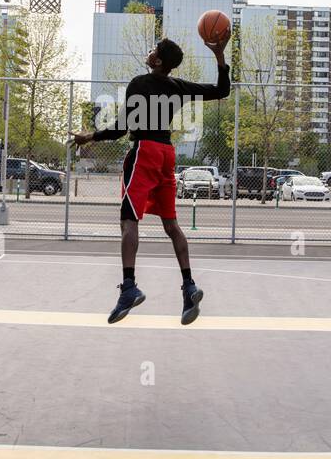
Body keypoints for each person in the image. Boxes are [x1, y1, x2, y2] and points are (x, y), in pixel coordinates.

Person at [70, 35, 231, 324]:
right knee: (171, 225)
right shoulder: (178, 87)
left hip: (143, 152)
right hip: (166, 154)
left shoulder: (139, 83)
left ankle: (129, 287)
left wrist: (90, 135)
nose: (149, 51)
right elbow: (222, 90)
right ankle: (188, 287)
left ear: (157, 61)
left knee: (128, 221)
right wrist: (219, 56)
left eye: (154, 49)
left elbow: (121, 129)